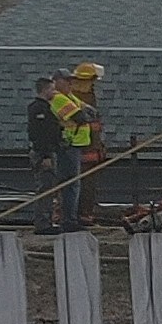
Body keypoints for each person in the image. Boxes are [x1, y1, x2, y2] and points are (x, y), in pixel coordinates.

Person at [48, 69, 95, 230]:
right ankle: (69, 221)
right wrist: (85, 115)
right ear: (56, 81)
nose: (70, 83)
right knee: (71, 185)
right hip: (68, 144)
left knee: (71, 184)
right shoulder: (58, 98)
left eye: (71, 80)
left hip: (74, 144)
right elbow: (81, 117)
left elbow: (89, 111)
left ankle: (70, 218)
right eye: (67, 80)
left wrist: (86, 113)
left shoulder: (69, 96)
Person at [25, 77, 65, 234]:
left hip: (48, 151)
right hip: (43, 154)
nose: (54, 92)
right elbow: (39, 134)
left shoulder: (45, 108)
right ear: (44, 89)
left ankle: (46, 221)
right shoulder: (39, 109)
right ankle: (43, 224)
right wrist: (46, 155)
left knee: (49, 187)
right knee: (45, 188)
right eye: (52, 89)